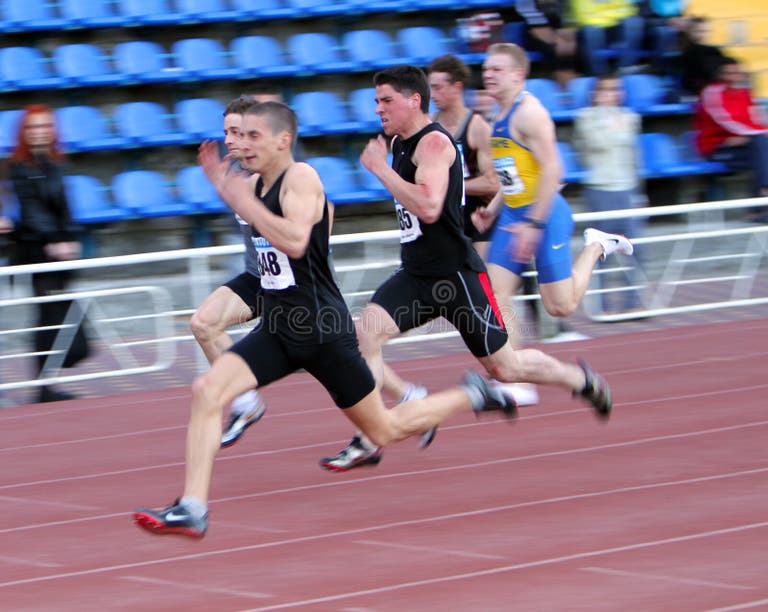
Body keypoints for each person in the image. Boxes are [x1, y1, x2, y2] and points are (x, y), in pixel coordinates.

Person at [132, 101, 517, 539]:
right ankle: (193, 507)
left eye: (254, 136)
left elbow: (296, 241)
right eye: (239, 136)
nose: (244, 144)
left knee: (385, 429)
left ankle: (471, 394)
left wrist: (241, 200)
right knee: (207, 391)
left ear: (283, 140)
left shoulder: (302, 178)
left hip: (320, 330)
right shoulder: (256, 183)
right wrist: (231, 190)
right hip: (278, 326)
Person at [318, 65, 615, 473]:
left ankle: (579, 380)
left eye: (386, 101)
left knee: (506, 369)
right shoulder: (399, 142)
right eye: (376, 102)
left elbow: (428, 205)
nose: (378, 110)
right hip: (416, 274)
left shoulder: (435, 144)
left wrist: (381, 170)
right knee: (364, 337)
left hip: (455, 277)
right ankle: (372, 433)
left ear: (413, 100)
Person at [471, 44, 633, 398]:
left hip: (545, 215)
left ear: (518, 74)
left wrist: (534, 225)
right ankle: (514, 376)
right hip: (515, 213)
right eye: (486, 69)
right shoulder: (497, 116)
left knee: (560, 306)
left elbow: (553, 170)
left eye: (497, 69)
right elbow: (513, 174)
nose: (488, 74)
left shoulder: (531, 113)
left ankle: (596, 247)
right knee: (494, 295)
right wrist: (494, 208)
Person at [189, 95, 268, 448]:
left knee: (346, 376)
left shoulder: (279, 173)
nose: (230, 141)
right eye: (227, 133)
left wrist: (225, 186)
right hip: (258, 278)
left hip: (300, 287)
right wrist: (222, 182)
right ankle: (246, 402)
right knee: (203, 324)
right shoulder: (235, 172)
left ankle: (407, 402)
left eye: (238, 132)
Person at [6, 104, 87, 403]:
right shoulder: (18, 169)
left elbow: (64, 208)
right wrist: (54, 240)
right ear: (24, 133)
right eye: (32, 127)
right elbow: (32, 211)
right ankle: (43, 385)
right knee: (47, 315)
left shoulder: (56, 164)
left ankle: (45, 383)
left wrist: (71, 239)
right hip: (33, 250)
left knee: (53, 314)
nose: (39, 132)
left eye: (44, 126)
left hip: (58, 251)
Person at [573, 74, 646, 313]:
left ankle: (632, 304)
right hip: (600, 187)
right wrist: (609, 123)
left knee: (635, 249)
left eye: (615, 89)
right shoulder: (585, 118)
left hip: (627, 186)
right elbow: (597, 143)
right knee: (600, 250)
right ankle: (602, 305)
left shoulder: (630, 117)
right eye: (605, 89)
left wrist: (640, 191)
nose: (611, 94)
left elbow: (634, 156)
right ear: (595, 94)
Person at [694, 57, 768, 211]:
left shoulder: (745, 93)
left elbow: (756, 119)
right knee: (761, 147)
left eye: (736, 72)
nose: (733, 76)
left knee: (761, 152)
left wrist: (753, 135)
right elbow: (724, 119)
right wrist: (757, 134)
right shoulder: (712, 92)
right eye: (729, 73)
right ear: (720, 74)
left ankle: (758, 207)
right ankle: (762, 198)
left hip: (746, 144)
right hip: (718, 146)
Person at [680, 17, 726, 97]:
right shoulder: (704, 51)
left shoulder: (710, 50)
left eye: (706, 31)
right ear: (689, 32)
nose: (703, 34)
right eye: (699, 31)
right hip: (701, 90)